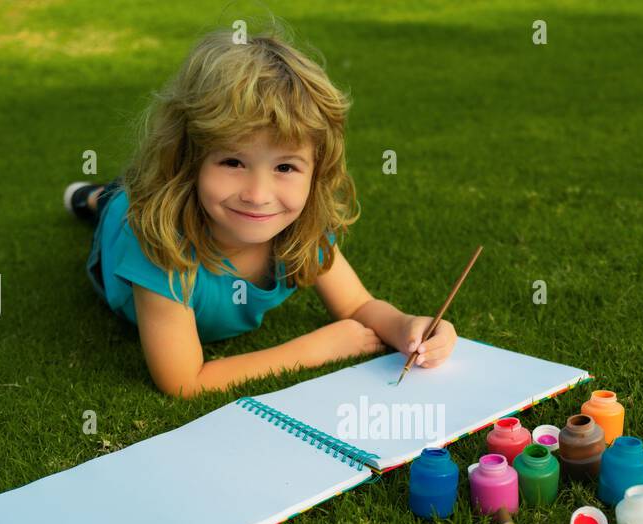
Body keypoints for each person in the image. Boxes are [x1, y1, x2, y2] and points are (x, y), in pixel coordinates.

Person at [64, 24, 457, 398]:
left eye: (285, 167)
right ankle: (94, 199)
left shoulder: (301, 228)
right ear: (189, 160)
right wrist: (317, 347)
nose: (257, 194)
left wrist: (409, 326)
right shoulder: (159, 246)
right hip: (122, 228)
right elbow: (184, 381)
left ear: (316, 172)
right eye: (233, 162)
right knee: (121, 199)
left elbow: (356, 306)